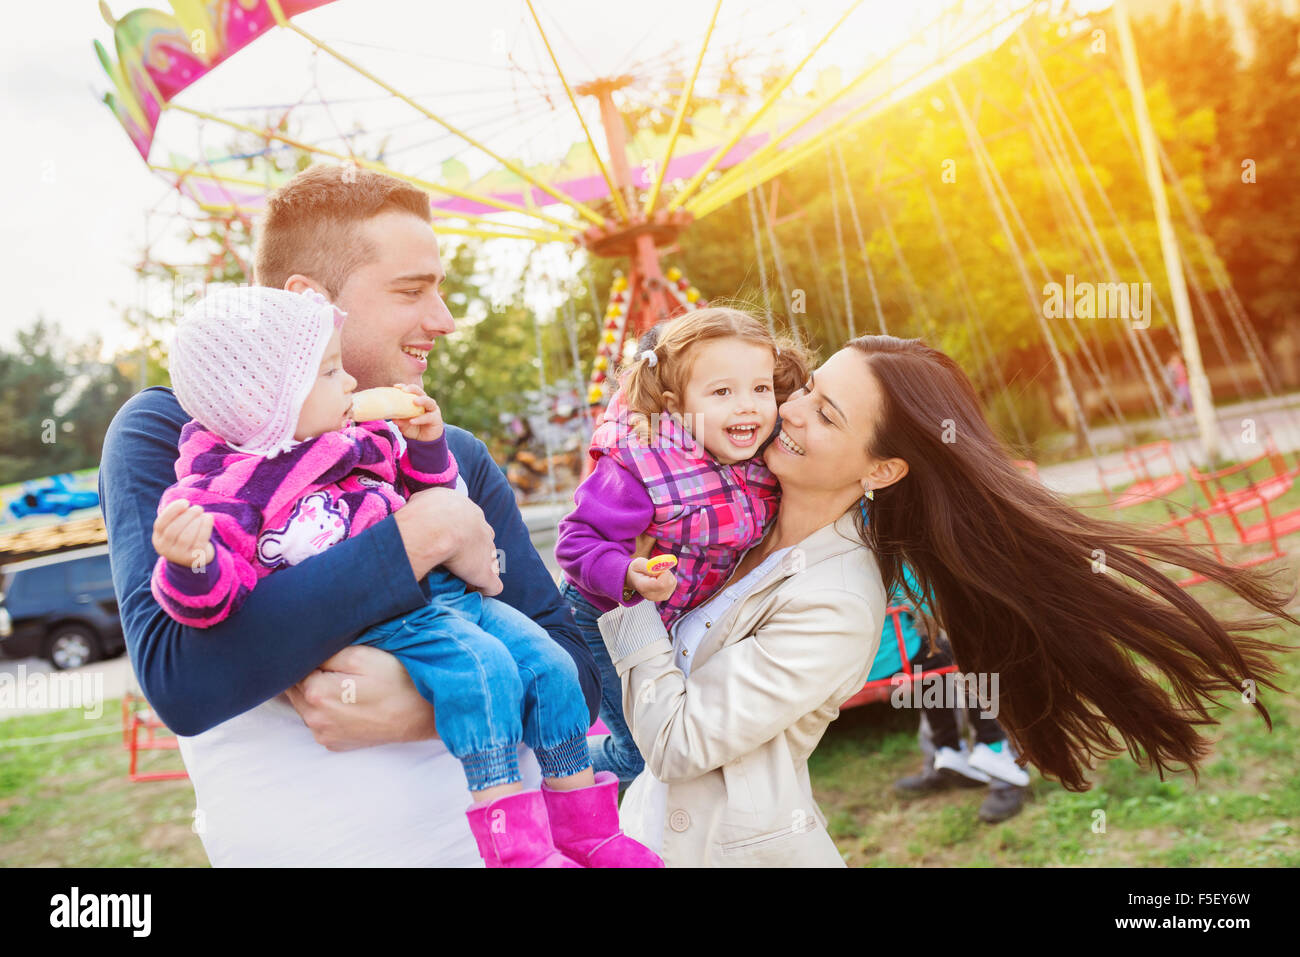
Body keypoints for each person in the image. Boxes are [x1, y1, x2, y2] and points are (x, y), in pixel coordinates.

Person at [595, 331, 1294, 866]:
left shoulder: (836, 599)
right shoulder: (731, 517)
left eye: (826, 413)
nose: (791, 410)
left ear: (882, 468)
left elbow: (679, 741)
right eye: (806, 389)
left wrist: (625, 597)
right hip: (651, 831)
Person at [99, 164, 600, 867]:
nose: (444, 319)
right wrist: (424, 534)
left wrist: (425, 706)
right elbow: (185, 680)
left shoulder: (447, 451)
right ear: (308, 300)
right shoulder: (184, 439)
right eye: (411, 290)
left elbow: (575, 670)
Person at [147, 285, 658, 867]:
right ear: (266, 398)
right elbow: (216, 599)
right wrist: (190, 562)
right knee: (485, 670)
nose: (348, 385)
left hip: (445, 595)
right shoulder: (228, 487)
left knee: (552, 664)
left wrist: (428, 445)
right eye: (330, 372)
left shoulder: (356, 437)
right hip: (385, 618)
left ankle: (587, 829)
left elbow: (427, 492)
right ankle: (518, 849)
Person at [554, 308, 808, 783]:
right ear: (675, 405)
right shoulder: (642, 461)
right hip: (604, 616)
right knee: (641, 755)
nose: (748, 406)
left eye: (760, 388)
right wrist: (627, 574)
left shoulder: (762, 454)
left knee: (683, 735)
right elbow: (575, 543)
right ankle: (547, 766)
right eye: (722, 392)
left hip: (674, 618)